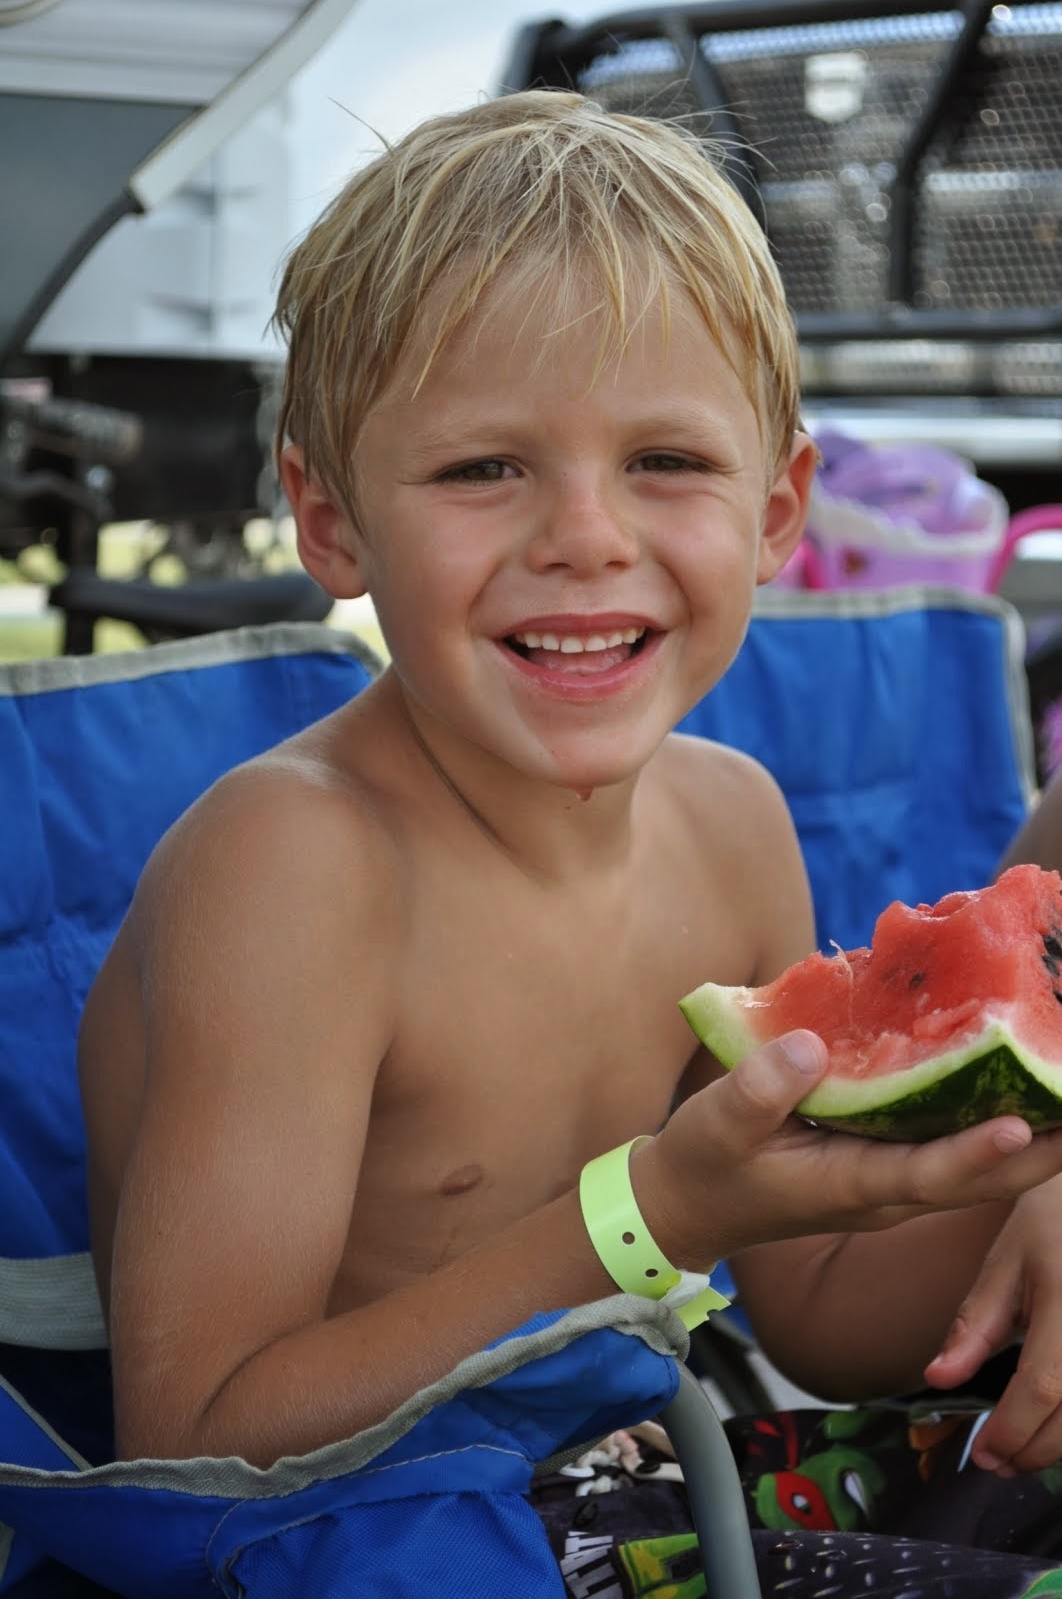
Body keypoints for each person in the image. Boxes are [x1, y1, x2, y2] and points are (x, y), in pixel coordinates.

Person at [77, 90, 1062, 1597]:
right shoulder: (295, 868)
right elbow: (195, 1445)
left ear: (776, 510)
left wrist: (1018, 1170)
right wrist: (651, 1217)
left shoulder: (731, 826)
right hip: (371, 1541)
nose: (585, 536)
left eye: (665, 460)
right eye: (484, 469)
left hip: (651, 1479)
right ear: (330, 521)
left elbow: (822, 1312)